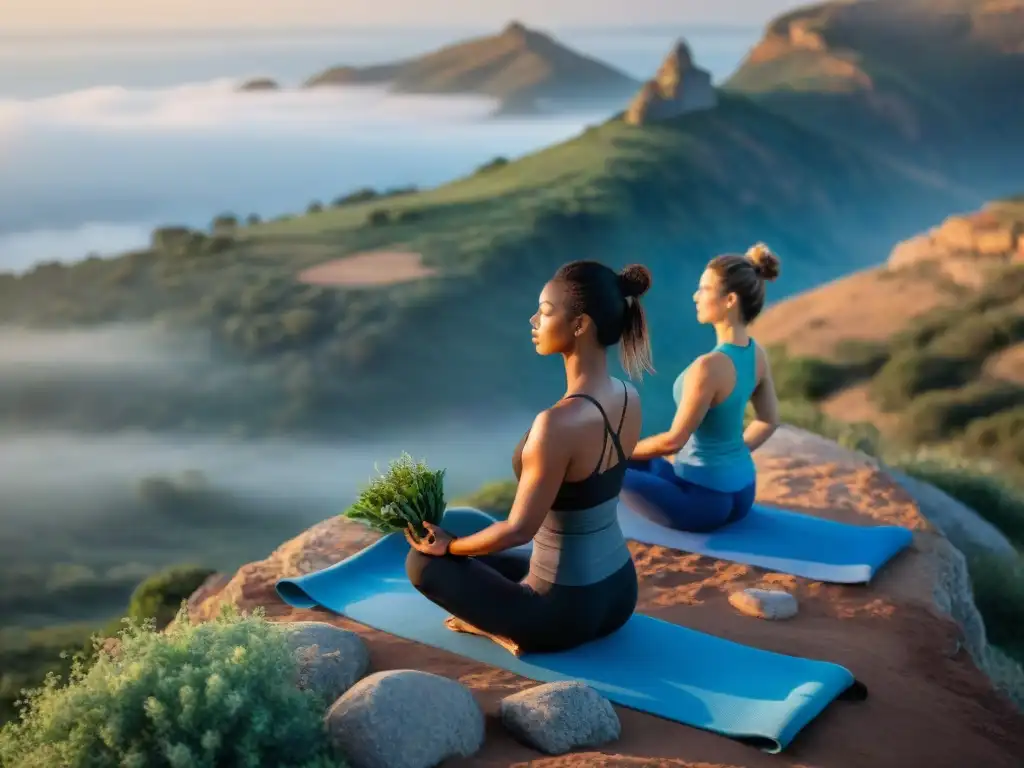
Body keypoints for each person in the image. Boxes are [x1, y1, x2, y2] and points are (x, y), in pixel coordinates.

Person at [404, 260, 655, 655]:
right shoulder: (629, 396)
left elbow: (519, 530)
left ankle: (502, 631)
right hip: (620, 592)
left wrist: (448, 549)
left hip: (561, 615)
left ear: (580, 325)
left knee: (424, 564)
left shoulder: (555, 424)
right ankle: (505, 607)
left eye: (547, 310)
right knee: (472, 538)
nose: (533, 319)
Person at [620, 243, 782, 533]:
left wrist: (617, 452)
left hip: (701, 504)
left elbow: (673, 442)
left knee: (602, 464)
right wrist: (732, 453)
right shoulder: (757, 354)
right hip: (743, 493)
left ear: (730, 299)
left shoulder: (708, 367)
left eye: (704, 289)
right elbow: (769, 420)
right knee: (646, 461)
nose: (696, 296)